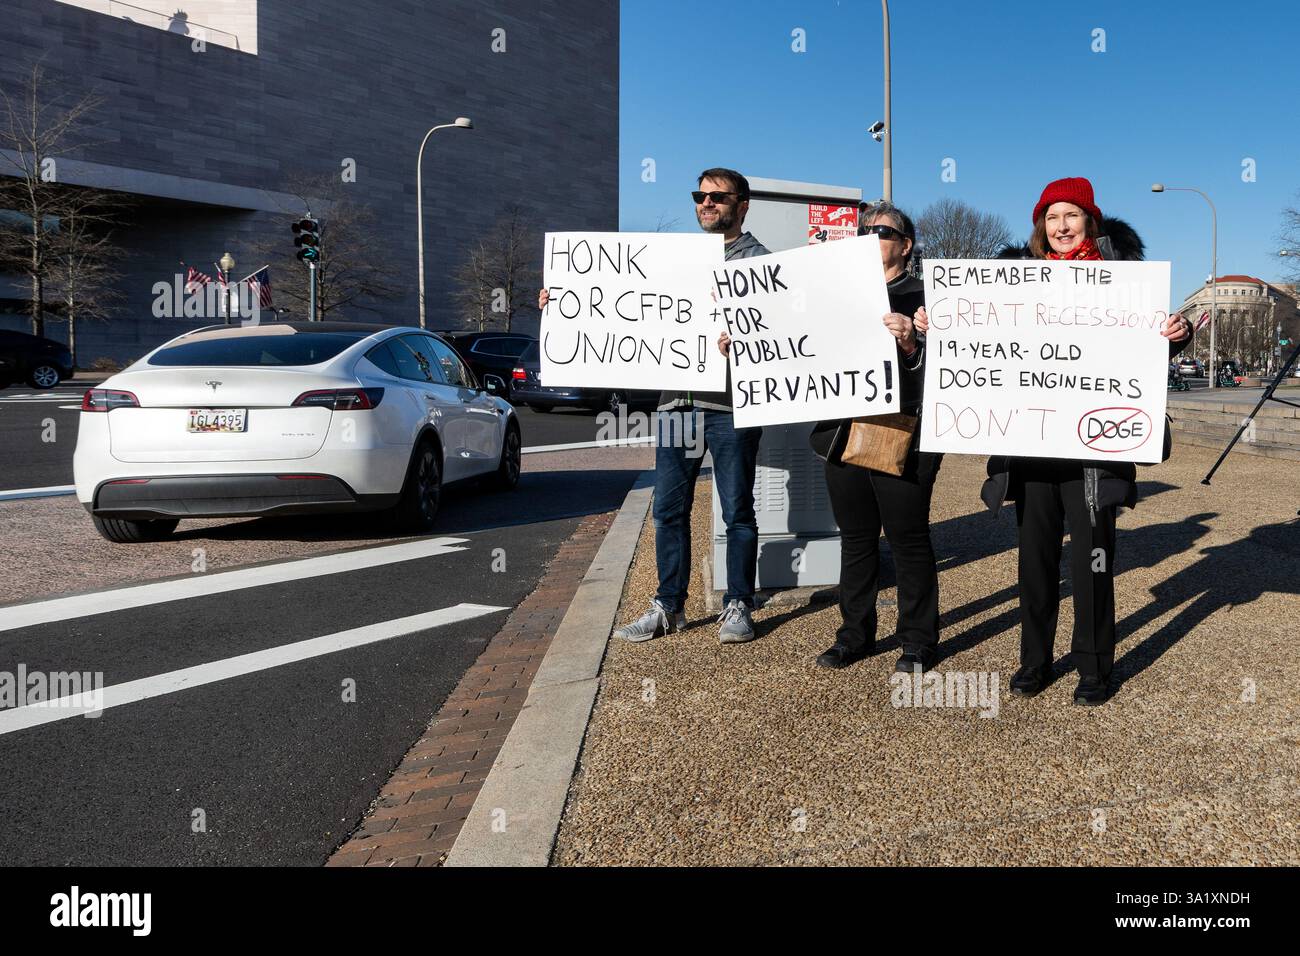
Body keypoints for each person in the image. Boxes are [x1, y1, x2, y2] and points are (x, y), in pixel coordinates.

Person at [917, 176, 1191, 705]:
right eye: (1051, 216)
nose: (1061, 226)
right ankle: (1034, 661)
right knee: (1034, 560)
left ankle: (1093, 666)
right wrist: (940, 323)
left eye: (1071, 215)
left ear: (1090, 220)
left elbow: (1147, 354)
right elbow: (980, 339)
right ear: (1040, 225)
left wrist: (1179, 336)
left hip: (1093, 450)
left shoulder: (1123, 280)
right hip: (1033, 445)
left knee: (1092, 560)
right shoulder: (1013, 279)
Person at [539, 168, 769, 644]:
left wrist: (744, 337)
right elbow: (619, 307)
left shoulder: (761, 262)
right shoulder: (669, 261)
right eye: (700, 196)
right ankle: (669, 605)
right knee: (667, 511)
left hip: (730, 410)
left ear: (742, 204)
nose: (706, 204)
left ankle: (738, 605)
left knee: (738, 512)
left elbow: (780, 338)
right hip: (675, 408)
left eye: (717, 197)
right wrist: (563, 303)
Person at [799, 202, 943, 672]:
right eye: (865, 230)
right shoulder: (834, 293)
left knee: (908, 538)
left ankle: (918, 640)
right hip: (843, 430)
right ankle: (854, 635)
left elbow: (948, 378)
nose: (871, 234)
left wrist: (911, 344)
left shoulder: (929, 297)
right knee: (856, 538)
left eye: (883, 230)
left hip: (904, 430)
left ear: (905, 245)